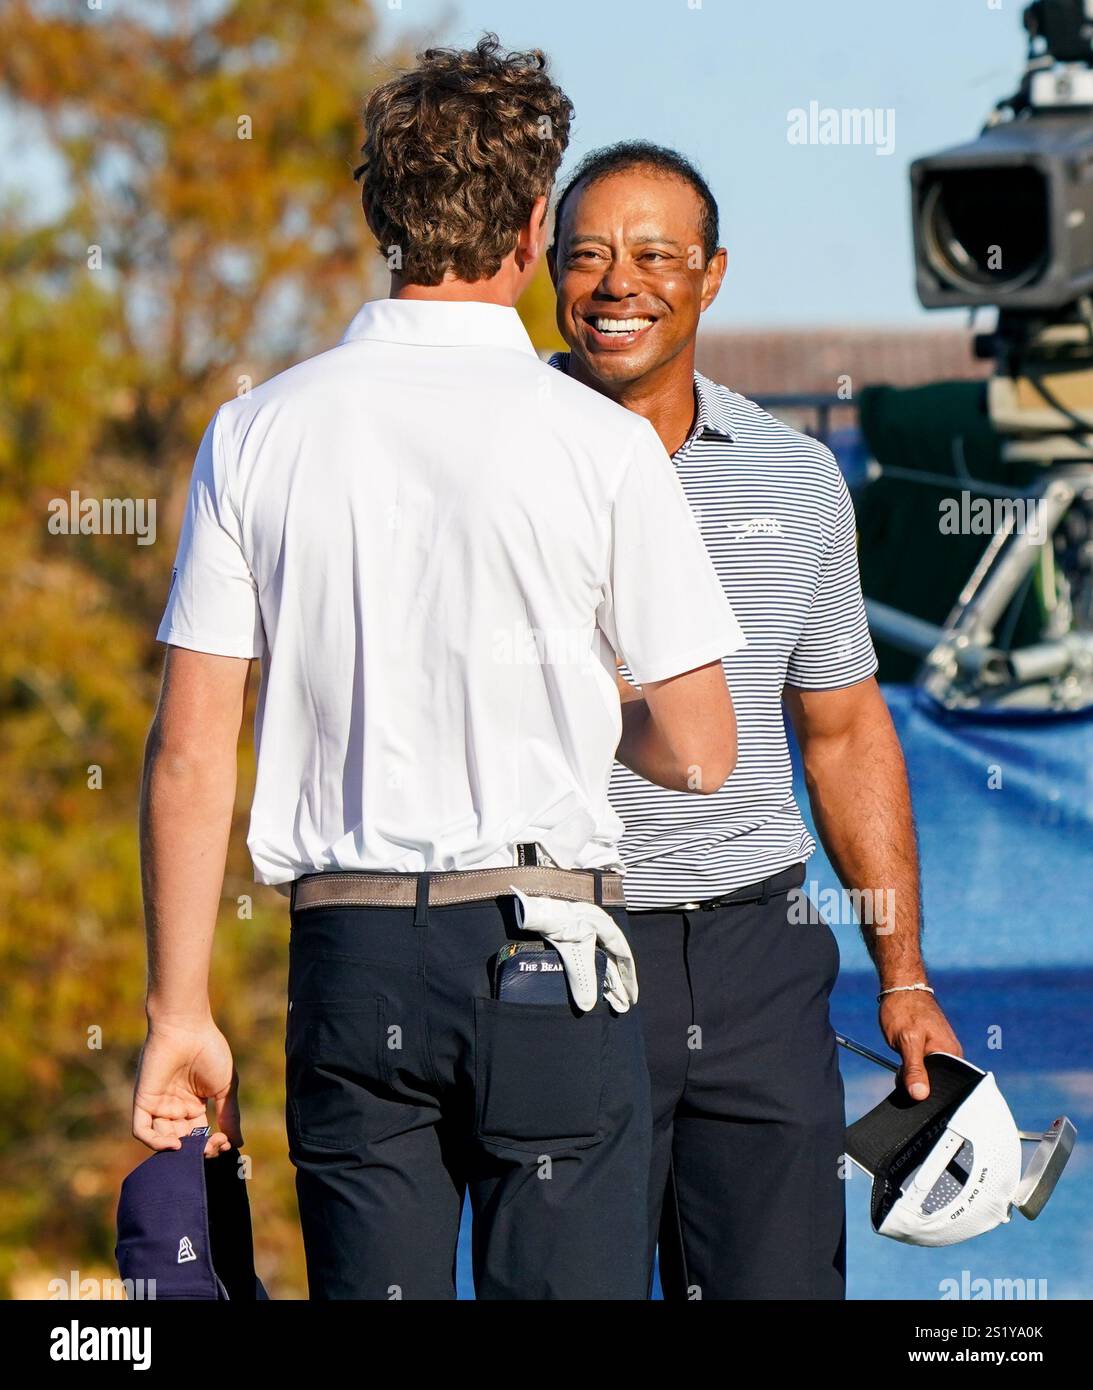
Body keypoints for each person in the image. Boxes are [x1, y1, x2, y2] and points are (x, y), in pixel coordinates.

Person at [131, 46, 744, 1301]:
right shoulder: (602, 443)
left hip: (350, 956)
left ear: (380, 218)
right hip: (550, 957)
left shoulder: (256, 429)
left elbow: (192, 749)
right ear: (533, 227)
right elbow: (700, 749)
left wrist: (175, 1013)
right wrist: (572, 692)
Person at [548, 141, 964, 1301]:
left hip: (754, 956)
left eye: (652, 256)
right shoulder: (495, 460)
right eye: (586, 256)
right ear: (546, 275)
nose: (617, 283)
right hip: (557, 946)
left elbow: (840, 733)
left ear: (712, 274)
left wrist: (904, 974)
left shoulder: (793, 478)